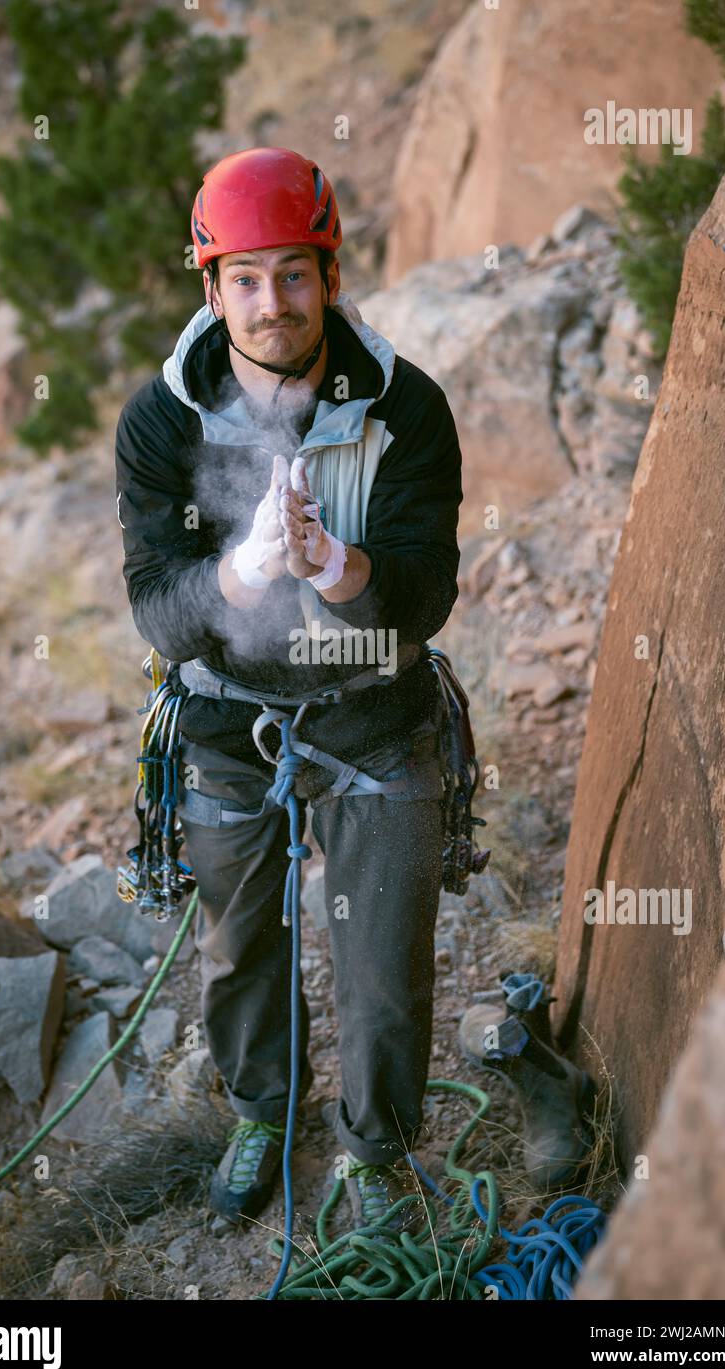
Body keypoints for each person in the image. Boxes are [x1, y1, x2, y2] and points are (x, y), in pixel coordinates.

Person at [114, 146, 463, 1230]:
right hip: (226, 719)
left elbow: (426, 593)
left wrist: (335, 569)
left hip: (373, 709)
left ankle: (375, 1151)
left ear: (331, 272)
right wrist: (239, 573)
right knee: (238, 950)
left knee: (382, 963)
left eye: (294, 274)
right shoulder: (162, 422)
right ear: (209, 288)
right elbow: (157, 609)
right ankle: (263, 1109)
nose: (272, 304)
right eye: (246, 279)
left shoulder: (405, 406)